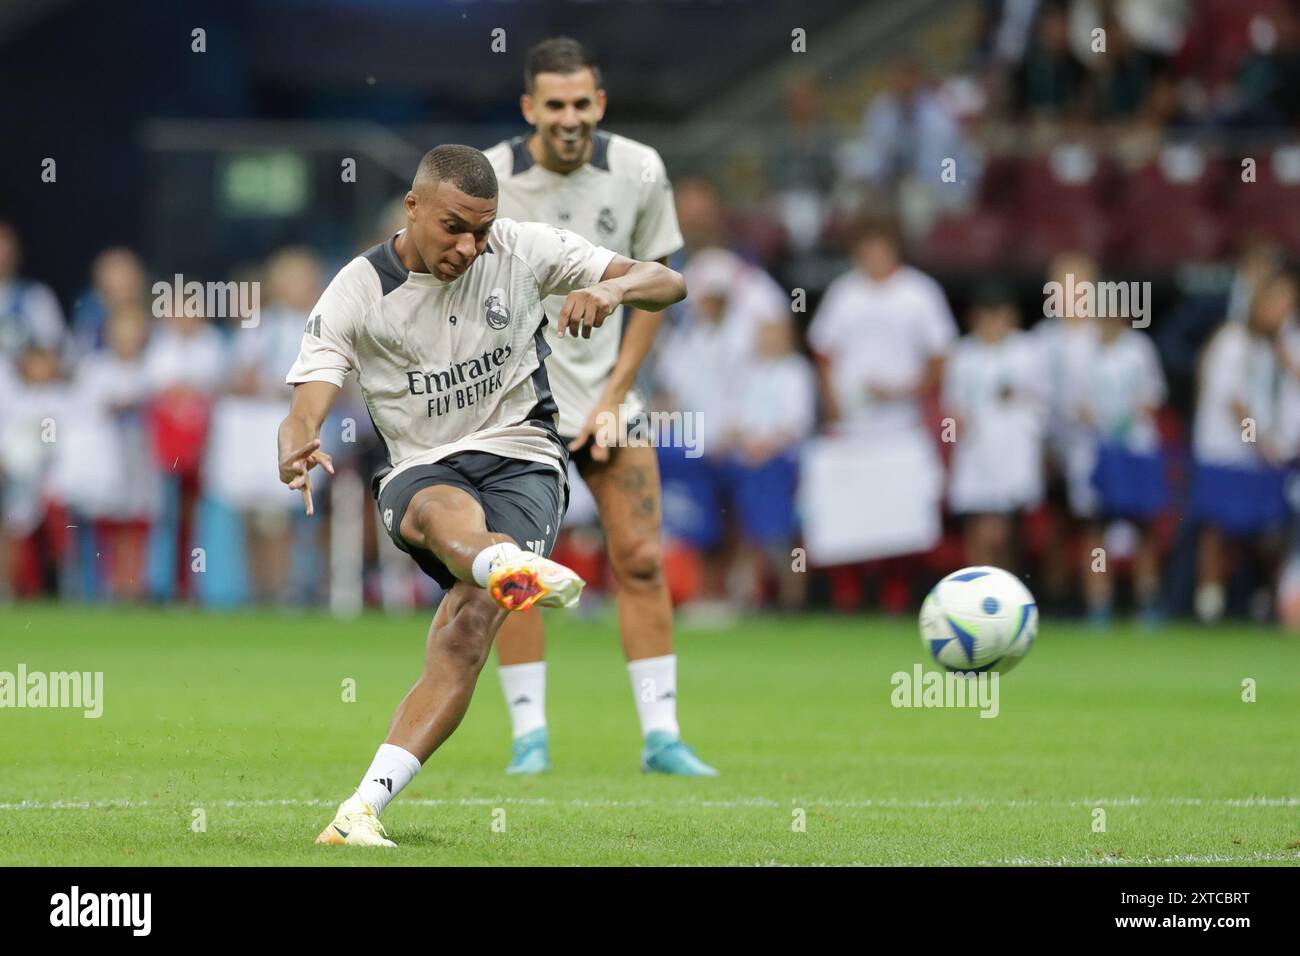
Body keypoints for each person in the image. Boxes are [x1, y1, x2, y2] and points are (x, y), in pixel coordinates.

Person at [278, 145, 685, 847]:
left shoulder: (523, 249)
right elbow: (310, 391)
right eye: (453, 227)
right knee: (441, 513)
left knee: (466, 632)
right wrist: (299, 434)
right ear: (413, 208)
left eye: (482, 229)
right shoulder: (355, 288)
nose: (468, 246)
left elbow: (667, 281)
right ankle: (503, 568)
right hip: (421, 468)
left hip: (522, 458)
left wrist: (612, 290)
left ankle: (359, 811)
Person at [483, 37, 716, 776]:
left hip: (608, 399)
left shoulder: (639, 169)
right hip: (517, 409)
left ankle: (662, 737)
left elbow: (658, 283)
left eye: (582, 102)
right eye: (555, 104)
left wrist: (616, 394)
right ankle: (530, 739)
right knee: (517, 573)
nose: (570, 117)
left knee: (642, 559)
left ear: (600, 103)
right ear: (530, 109)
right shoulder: (490, 177)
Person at [1189, 269, 1300, 623]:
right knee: (1216, 528)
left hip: (1264, 454)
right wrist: (1259, 442)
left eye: (1290, 304)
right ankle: (1210, 606)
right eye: (1277, 303)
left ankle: (1269, 603)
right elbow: (1233, 401)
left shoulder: (1279, 346)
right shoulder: (1233, 341)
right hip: (1226, 451)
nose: (1283, 311)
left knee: (1269, 530)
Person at [942, 285, 1046, 571]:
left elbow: (1042, 401)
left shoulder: (1027, 351)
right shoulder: (962, 355)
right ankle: (976, 587)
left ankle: (1006, 589)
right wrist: (955, 429)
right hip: (976, 451)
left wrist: (1017, 396)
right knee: (979, 527)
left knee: (1003, 530)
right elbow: (951, 408)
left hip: (1013, 452)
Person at [1077, 310, 1169, 625]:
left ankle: (1147, 602)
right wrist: (1100, 424)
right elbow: (1077, 403)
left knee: (1142, 526)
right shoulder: (1084, 352)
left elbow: (1153, 394)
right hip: (1099, 452)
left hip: (1137, 449)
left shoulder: (1139, 348)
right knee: (1097, 529)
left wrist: (1124, 422)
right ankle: (1099, 604)